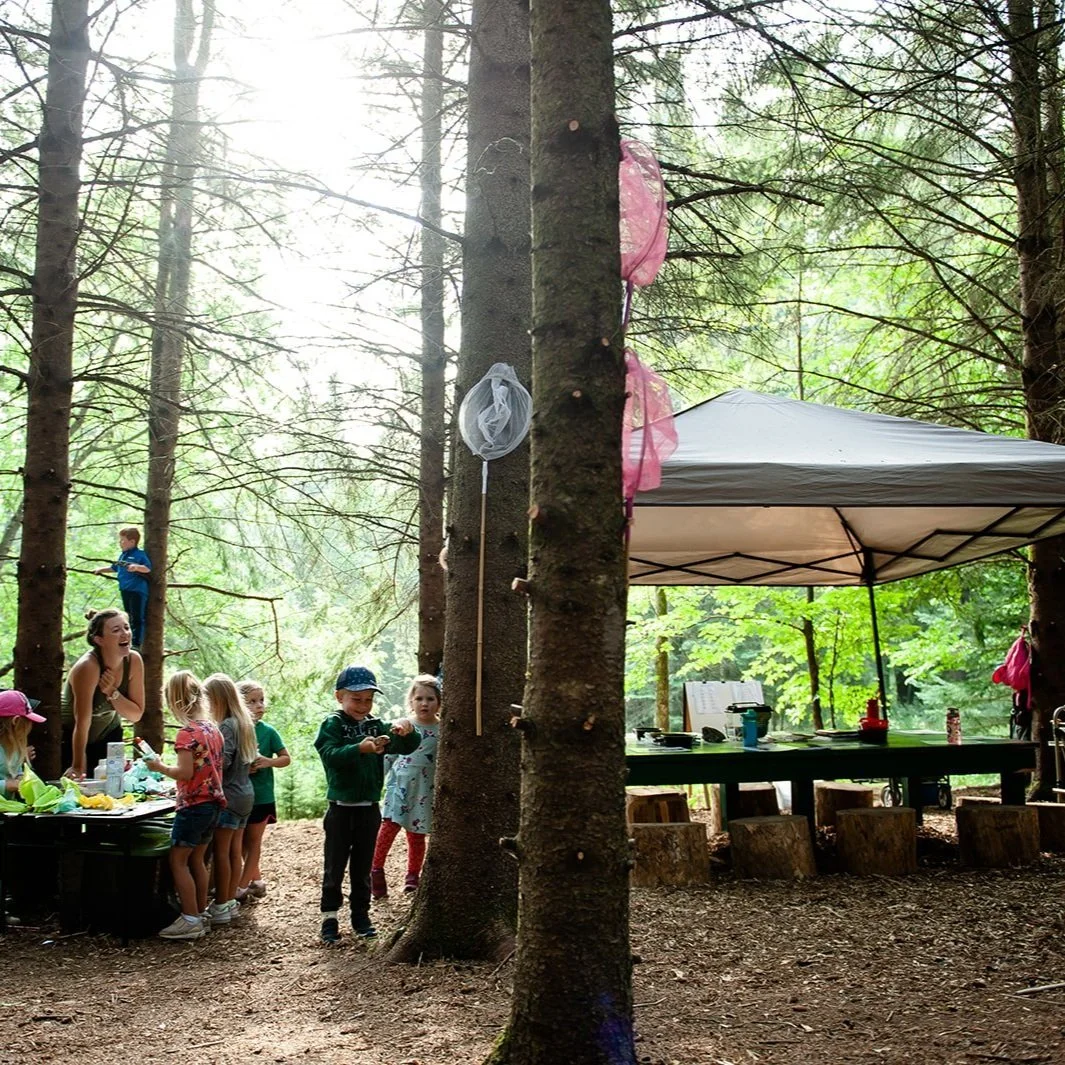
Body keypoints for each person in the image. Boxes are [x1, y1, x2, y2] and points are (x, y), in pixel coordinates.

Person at [314, 664, 420, 944]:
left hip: (369, 809)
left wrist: (408, 730)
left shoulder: (376, 725)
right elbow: (329, 753)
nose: (363, 705)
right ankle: (329, 917)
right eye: (356, 699)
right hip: (339, 809)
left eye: (368, 699)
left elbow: (407, 745)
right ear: (340, 697)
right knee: (334, 866)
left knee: (362, 867)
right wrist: (359, 748)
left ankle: (361, 916)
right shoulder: (333, 723)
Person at [143, 670, 225, 941]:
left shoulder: (187, 734)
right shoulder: (212, 729)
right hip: (213, 803)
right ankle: (200, 912)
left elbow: (185, 773)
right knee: (198, 859)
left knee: (178, 860)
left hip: (193, 805)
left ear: (175, 701)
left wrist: (158, 766)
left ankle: (190, 918)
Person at [370, 674, 441, 898]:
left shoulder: (443, 730)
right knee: (388, 829)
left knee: (417, 834)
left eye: (430, 698)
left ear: (439, 702)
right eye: (419, 698)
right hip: (399, 787)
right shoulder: (403, 726)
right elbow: (389, 756)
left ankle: (412, 876)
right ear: (411, 701)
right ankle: (376, 871)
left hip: (424, 790)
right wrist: (376, 781)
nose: (424, 703)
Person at [61, 609, 145, 779]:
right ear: (99, 640)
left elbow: (136, 714)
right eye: (116, 630)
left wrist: (112, 692)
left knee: (112, 789)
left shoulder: (134, 660)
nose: (125, 634)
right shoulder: (88, 667)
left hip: (108, 733)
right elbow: (82, 722)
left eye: (126, 628)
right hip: (72, 738)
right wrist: (78, 767)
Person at [203, 673, 257, 926]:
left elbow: (222, 762)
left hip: (229, 794)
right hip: (246, 793)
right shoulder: (245, 722)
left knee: (221, 852)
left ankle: (222, 904)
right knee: (236, 851)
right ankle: (231, 901)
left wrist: (201, 762)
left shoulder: (226, 725)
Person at [236, 679, 290, 900]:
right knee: (239, 843)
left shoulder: (269, 732)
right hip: (238, 794)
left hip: (262, 796)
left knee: (253, 841)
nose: (259, 705)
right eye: (252, 702)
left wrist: (268, 761)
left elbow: (286, 759)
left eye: (261, 700)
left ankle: (239, 888)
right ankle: (256, 881)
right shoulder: (236, 730)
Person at [93, 526, 151, 649]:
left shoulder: (139, 554)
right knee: (128, 616)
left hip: (137, 590)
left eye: (123, 540)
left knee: (137, 617)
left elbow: (147, 568)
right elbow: (114, 568)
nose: (120, 543)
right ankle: (128, 641)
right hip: (125, 590)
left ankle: (136, 643)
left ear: (132, 542)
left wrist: (136, 567)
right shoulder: (122, 555)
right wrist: (100, 570)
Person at [0, 690, 44, 796]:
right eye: (28, 723)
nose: (31, 727)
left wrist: (22, 778)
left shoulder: (14, 747)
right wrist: (7, 785)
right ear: (16, 721)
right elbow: (10, 784)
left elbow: (16, 771)